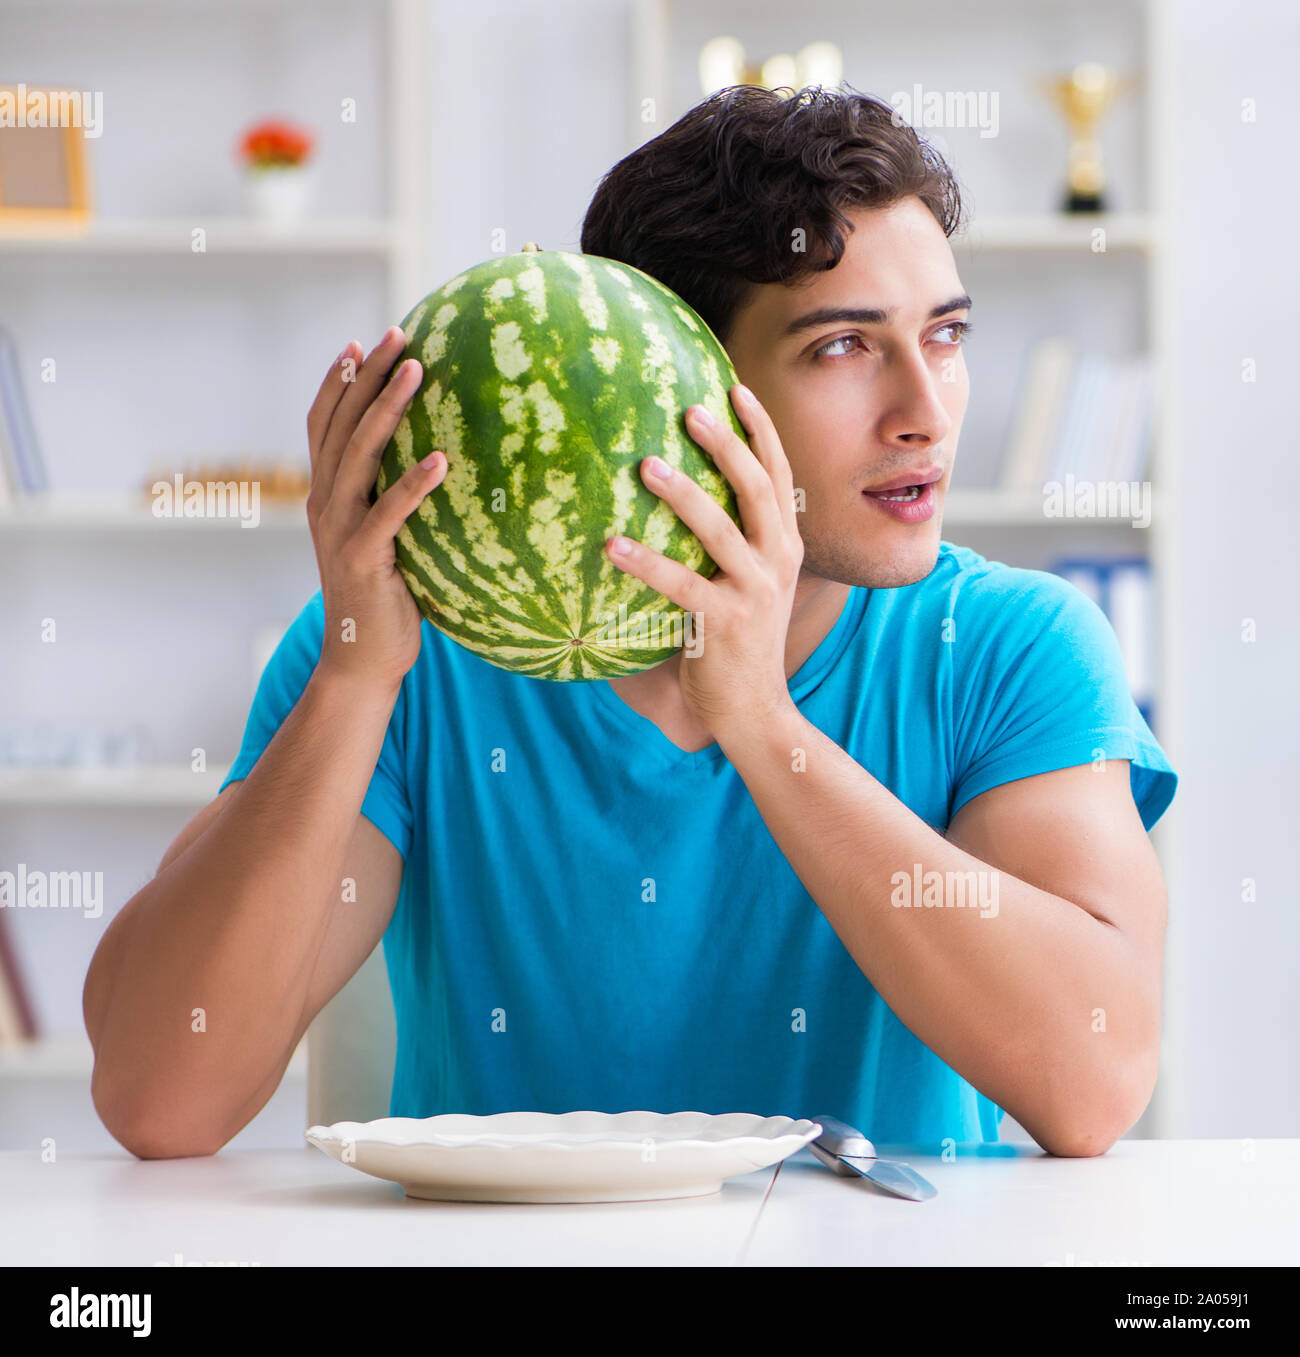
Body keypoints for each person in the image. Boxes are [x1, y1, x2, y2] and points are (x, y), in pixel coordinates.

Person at [83, 85, 1175, 1160]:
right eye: (842, 347)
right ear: (674, 383)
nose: (925, 412)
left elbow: (1092, 1086)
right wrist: (353, 683)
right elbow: (159, 1098)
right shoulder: (400, 656)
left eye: (942, 335)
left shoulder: (1006, 647)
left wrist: (761, 724)